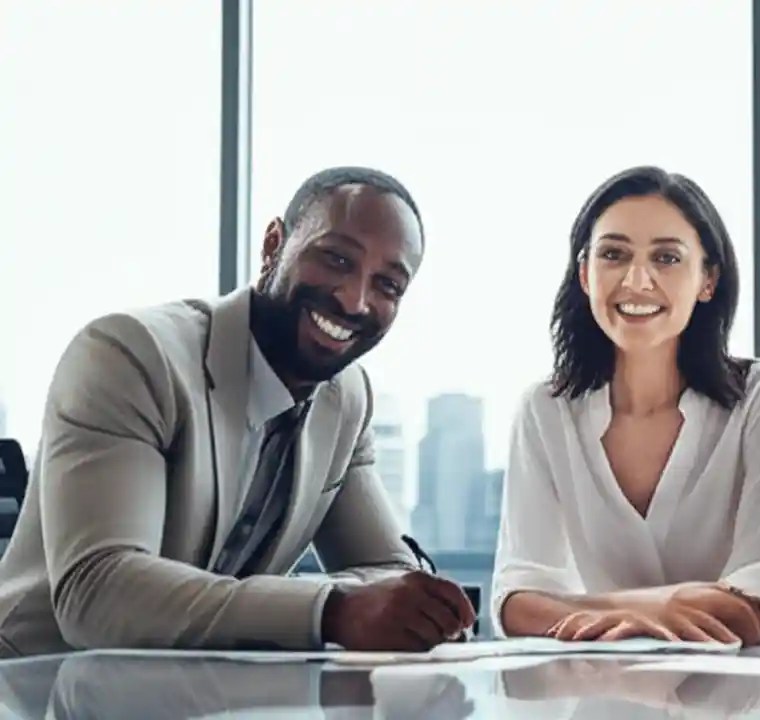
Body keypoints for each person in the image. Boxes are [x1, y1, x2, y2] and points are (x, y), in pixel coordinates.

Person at [0, 166, 475, 657]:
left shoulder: (346, 399)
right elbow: (98, 593)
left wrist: (409, 607)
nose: (355, 301)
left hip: (185, 691)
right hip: (34, 680)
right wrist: (331, 611)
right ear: (273, 245)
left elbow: (389, 572)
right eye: (337, 259)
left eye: (388, 286)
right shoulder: (131, 356)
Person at [493, 166, 760, 644]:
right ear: (585, 274)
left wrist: (594, 609)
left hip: (740, 684)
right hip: (599, 678)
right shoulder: (545, 409)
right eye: (614, 254)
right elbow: (517, 601)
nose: (637, 280)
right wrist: (661, 608)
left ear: (708, 279)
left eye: (666, 258)